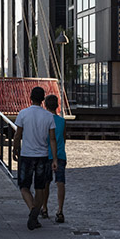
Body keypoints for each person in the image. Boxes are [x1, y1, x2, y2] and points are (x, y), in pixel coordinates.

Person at [14, 85, 57, 231]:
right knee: (40, 188)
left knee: (24, 186)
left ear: (30, 98)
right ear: (43, 100)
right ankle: (35, 213)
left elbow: (18, 134)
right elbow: (52, 139)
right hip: (43, 156)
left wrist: (15, 148)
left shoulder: (23, 113)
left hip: (27, 154)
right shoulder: (49, 116)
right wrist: (55, 159)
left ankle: (33, 210)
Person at [40, 94, 67, 224]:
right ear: (57, 106)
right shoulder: (62, 121)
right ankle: (60, 210)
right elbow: (63, 138)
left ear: (45, 105)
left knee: (46, 182)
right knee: (60, 182)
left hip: (46, 154)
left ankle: (44, 207)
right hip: (60, 154)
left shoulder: (44, 120)